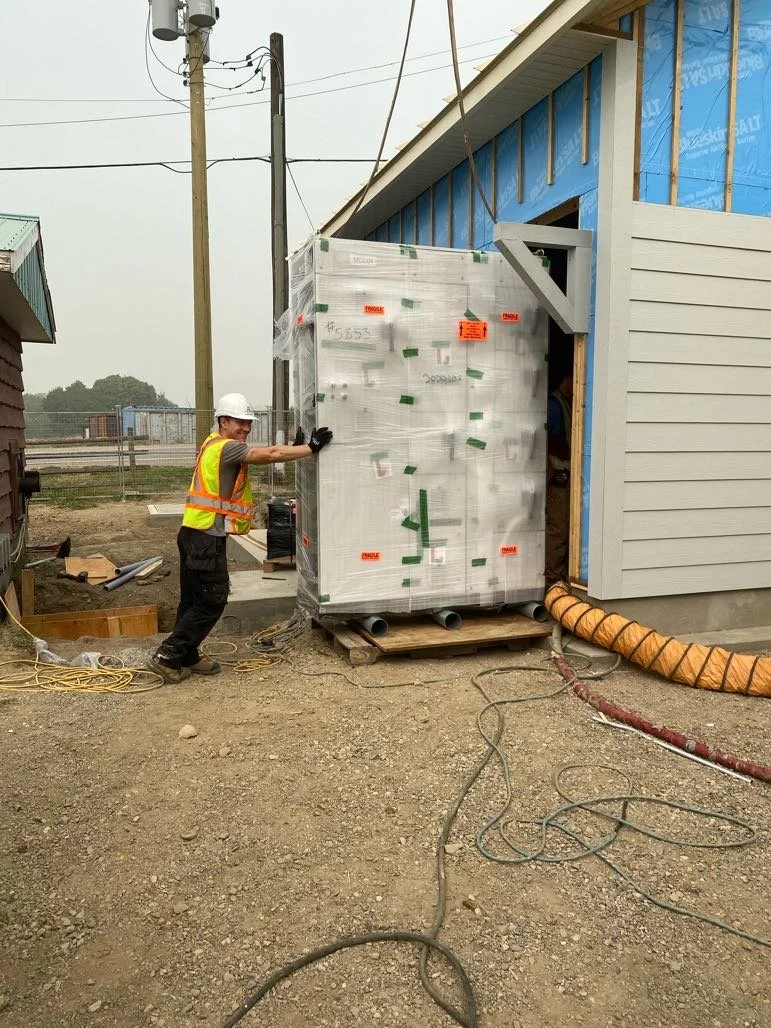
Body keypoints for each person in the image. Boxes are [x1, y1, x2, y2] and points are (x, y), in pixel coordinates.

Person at [148, 393, 332, 683]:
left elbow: (269, 453)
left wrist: (294, 449)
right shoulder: (227, 447)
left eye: (248, 423)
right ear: (223, 421)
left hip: (194, 533)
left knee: (193, 599)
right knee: (213, 601)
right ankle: (168, 654)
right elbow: (270, 455)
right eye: (240, 422)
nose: (246, 428)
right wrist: (310, 448)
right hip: (205, 537)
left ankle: (187, 653)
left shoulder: (211, 444)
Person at [545, 358, 573, 587]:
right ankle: (554, 580)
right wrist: (553, 471)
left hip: (565, 476)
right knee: (558, 529)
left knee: (563, 529)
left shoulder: (564, 404)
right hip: (558, 478)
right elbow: (547, 444)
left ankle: (559, 577)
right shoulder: (554, 407)